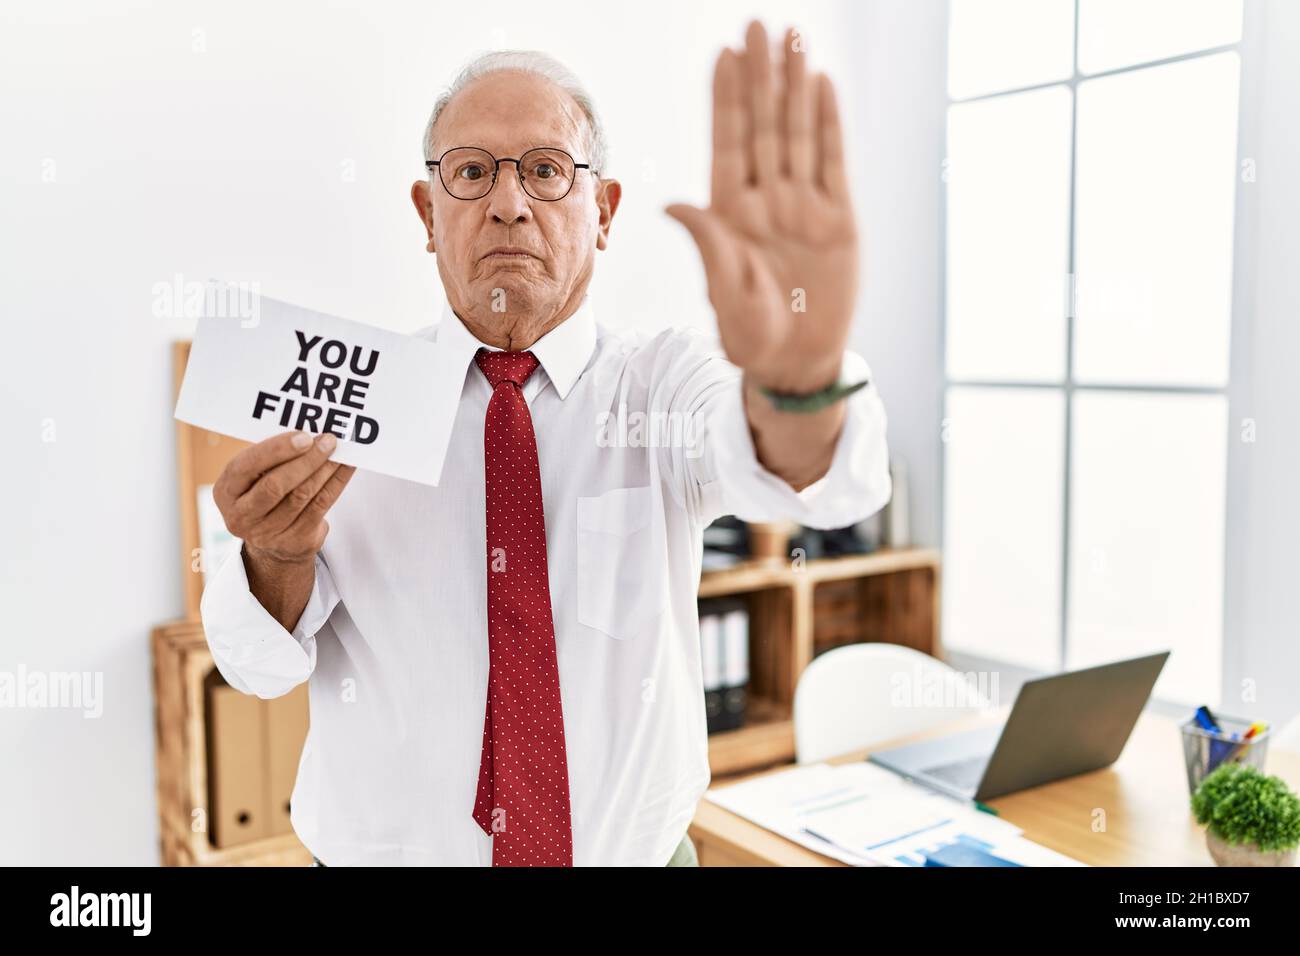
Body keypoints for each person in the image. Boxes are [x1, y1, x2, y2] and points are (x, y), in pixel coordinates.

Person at [201, 20, 891, 866]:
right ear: (428, 212)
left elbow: (805, 477)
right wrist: (274, 554)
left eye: (545, 170)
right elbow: (257, 668)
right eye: (471, 172)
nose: (508, 202)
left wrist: (799, 377)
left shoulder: (662, 384)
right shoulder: (345, 402)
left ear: (602, 210)